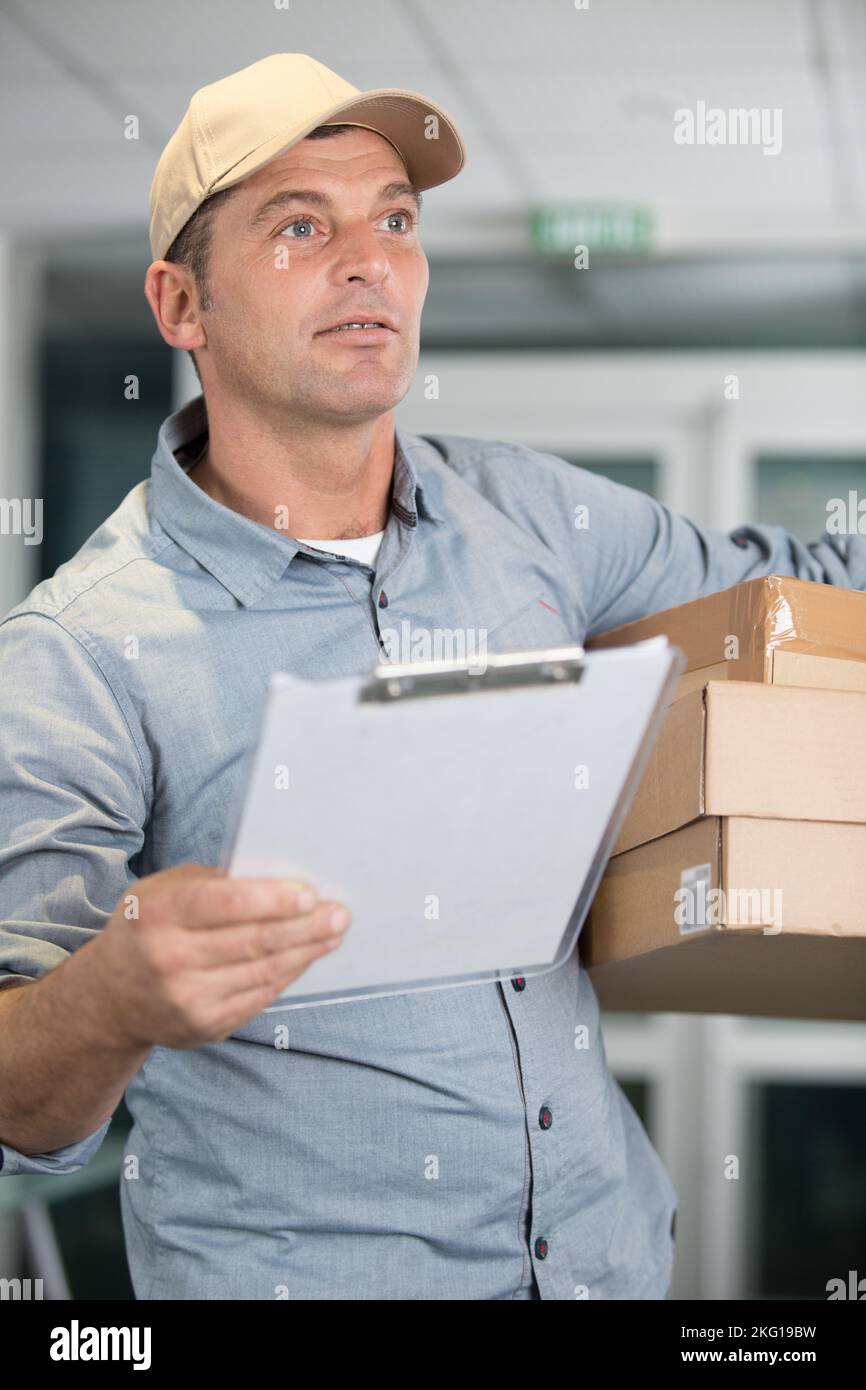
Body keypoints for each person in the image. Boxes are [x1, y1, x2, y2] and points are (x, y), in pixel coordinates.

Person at [0, 52, 863, 1302]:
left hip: (606, 1265)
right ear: (179, 306)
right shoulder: (77, 652)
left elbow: (799, 584)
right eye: (301, 225)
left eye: (394, 220)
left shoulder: (526, 514)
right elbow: (22, 1111)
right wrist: (113, 993)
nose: (370, 262)